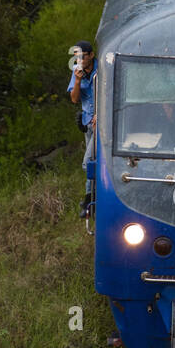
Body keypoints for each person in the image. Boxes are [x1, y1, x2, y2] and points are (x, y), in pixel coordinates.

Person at [68, 41, 98, 218]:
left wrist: (101, 113)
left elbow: (111, 92)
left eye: (83, 56)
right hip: (88, 122)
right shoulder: (77, 72)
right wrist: (78, 80)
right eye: (76, 56)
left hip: (101, 122)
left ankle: (89, 201)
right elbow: (74, 99)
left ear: (91, 55)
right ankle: (92, 200)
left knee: (88, 162)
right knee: (93, 162)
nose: (79, 59)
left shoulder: (101, 70)